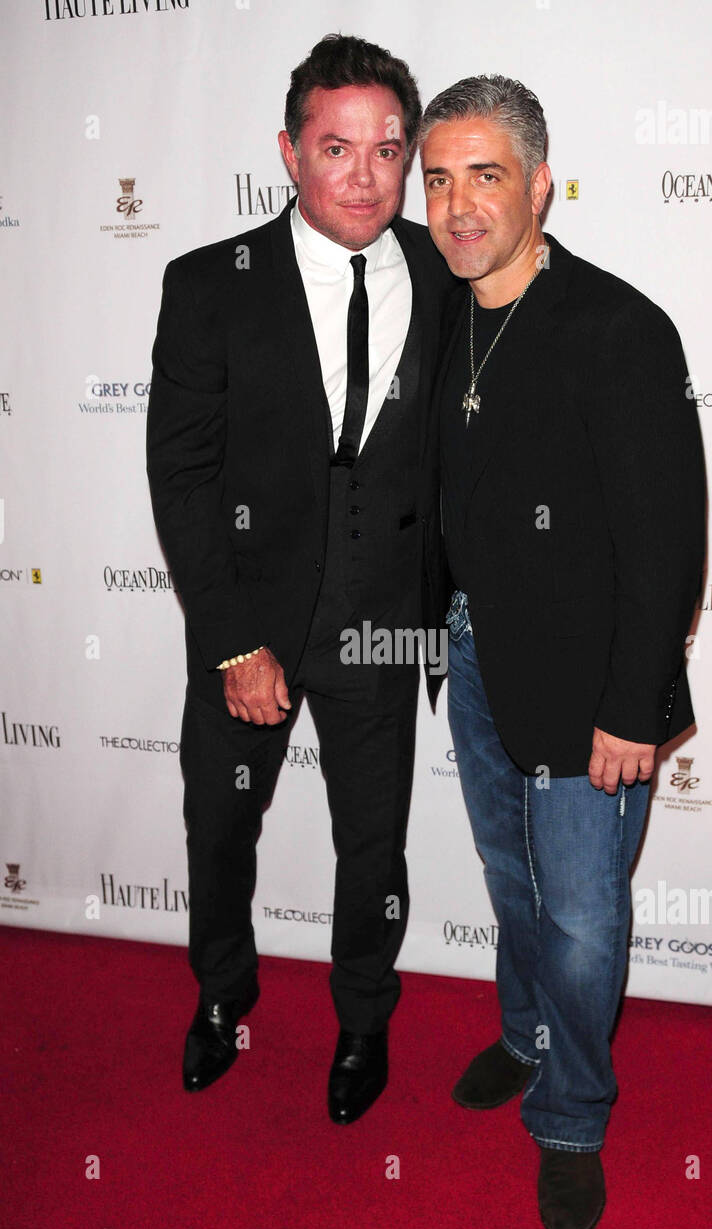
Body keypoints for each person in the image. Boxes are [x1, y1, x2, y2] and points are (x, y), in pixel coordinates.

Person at [146, 34, 454, 1123]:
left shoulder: (441, 270)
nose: (367, 175)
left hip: (384, 623)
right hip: (252, 621)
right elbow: (181, 478)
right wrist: (232, 640)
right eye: (337, 147)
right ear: (289, 152)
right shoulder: (209, 285)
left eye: (388, 148)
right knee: (220, 830)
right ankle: (223, 997)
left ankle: (364, 1019)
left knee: (374, 845)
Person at [420, 75, 706, 1229]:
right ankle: (526, 1033)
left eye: (485, 175)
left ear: (542, 183)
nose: (457, 205)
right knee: (508, 879)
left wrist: (634, 708)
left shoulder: (619, 329)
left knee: (583, 917)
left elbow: (667, 542)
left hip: (596, 688)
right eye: (438, 179)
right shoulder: (445, 316)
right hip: (478, 658)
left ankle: (574, 1114)